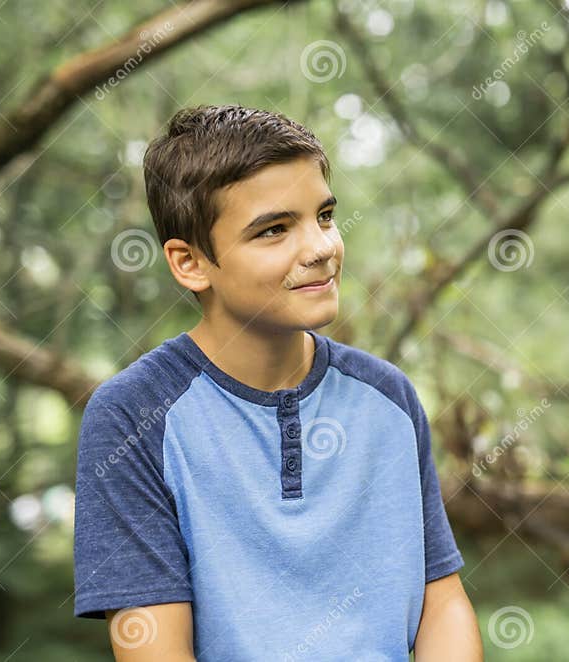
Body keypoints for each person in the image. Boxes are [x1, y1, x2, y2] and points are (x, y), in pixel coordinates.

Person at [72, 105, 483, 661]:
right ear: (190, 263)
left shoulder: (389, 398)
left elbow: (442, 600)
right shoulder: (132, 413)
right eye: (273, 230)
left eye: (325, 216)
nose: (320, 248)